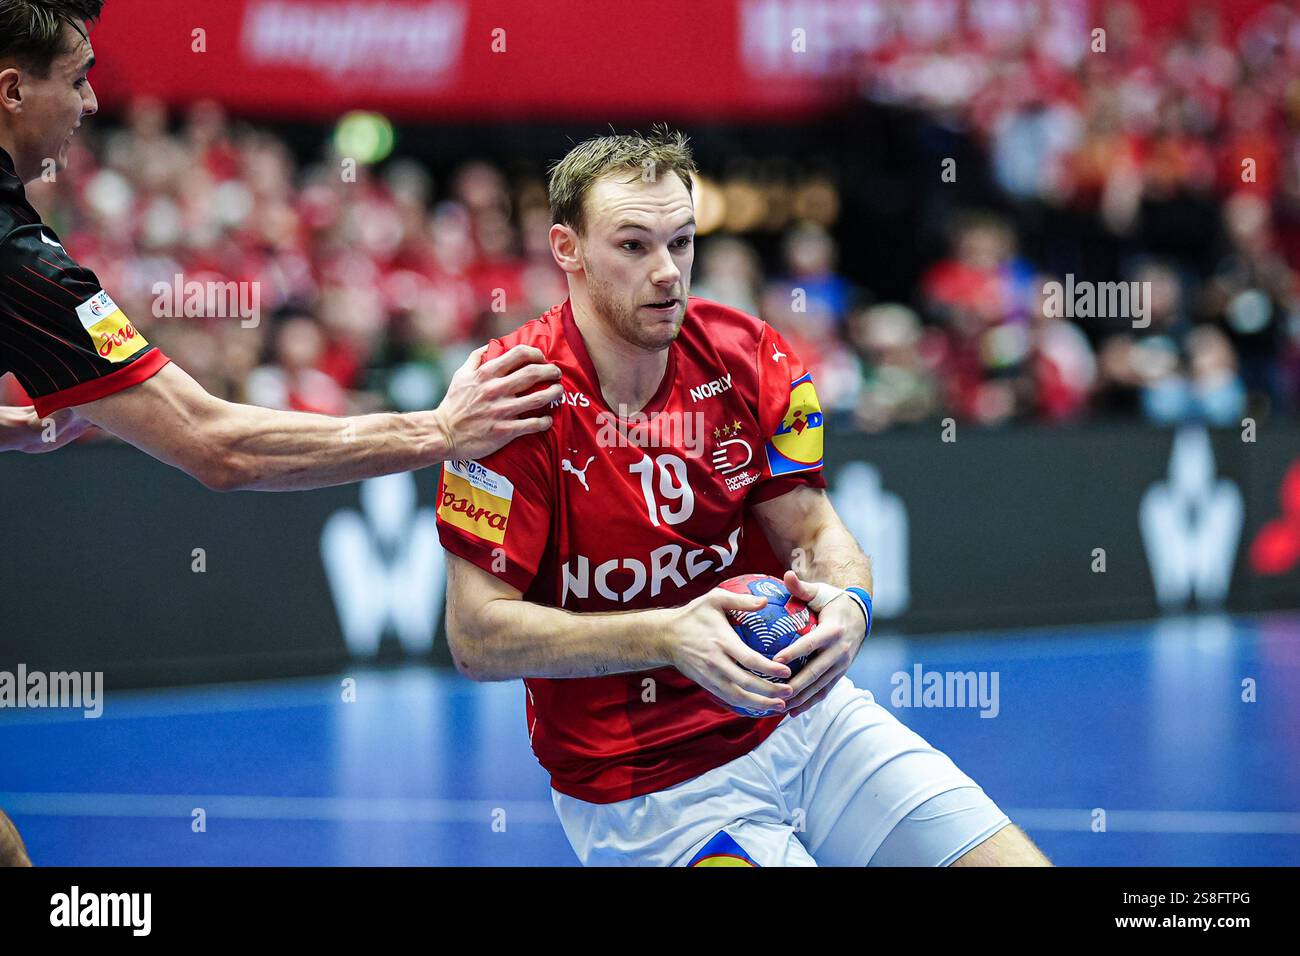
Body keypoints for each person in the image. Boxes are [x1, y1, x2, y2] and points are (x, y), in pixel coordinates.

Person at [0, 0, 561, 863]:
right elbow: (218, 446)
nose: (92, 105)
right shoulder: (23, 261)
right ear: (11, 89)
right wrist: (441, 431)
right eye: (77, 81)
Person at [437, 127, 1051, 866]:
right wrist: (667, 635)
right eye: (634, 246)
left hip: (807, 720)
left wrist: (852, 604)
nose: (668, 272)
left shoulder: (748, 354)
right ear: (566, 248)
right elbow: (476, 638)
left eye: (683, 242)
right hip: (649, 789)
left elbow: (815, 530)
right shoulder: (508, 399)